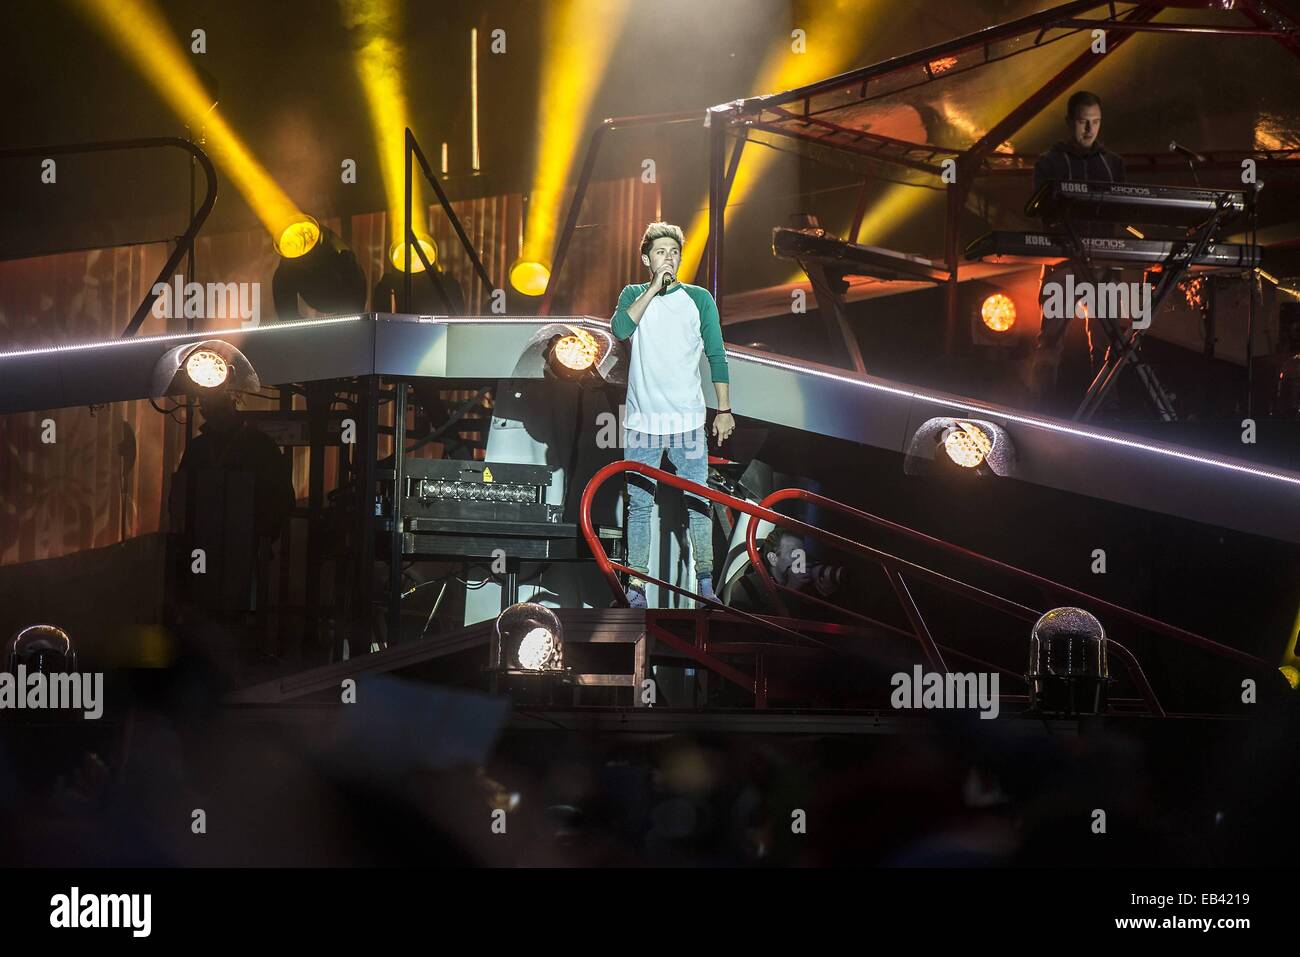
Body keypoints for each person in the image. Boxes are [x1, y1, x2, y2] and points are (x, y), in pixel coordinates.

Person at [610, 222, 734, 608]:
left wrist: (724, 409)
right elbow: (620, 328)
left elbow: (717, 354)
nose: (670, 258)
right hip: (643, 424)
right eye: (662, 252)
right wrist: (652, 289)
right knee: (639, 506)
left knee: (699, 502)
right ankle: (636, 587)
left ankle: (705, 584)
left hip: (687, 423)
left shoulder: (699, 299)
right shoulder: (634, 294)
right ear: (647, 259)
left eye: (675, 252)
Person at [1029, 90, 1127, 410]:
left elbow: (1122, 210)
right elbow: (1041, 210)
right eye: (1084, 122)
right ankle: (1044, 411)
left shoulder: (1113, 164)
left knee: (1109, 341)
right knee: (1051, 340)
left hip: (1102, 263)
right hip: (1063, 262)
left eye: (1095, 122)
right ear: (1070, 122)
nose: (1090, 130)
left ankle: (1105, 411)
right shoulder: (1049, 162)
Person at [728, 527, 842, 615]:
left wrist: (826, 597)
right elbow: (753, 632)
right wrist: (790, 590)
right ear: (773, 558)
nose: (800, 559)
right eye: (794, 553)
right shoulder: (746, 586)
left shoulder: (806, 583)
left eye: (802, 554)